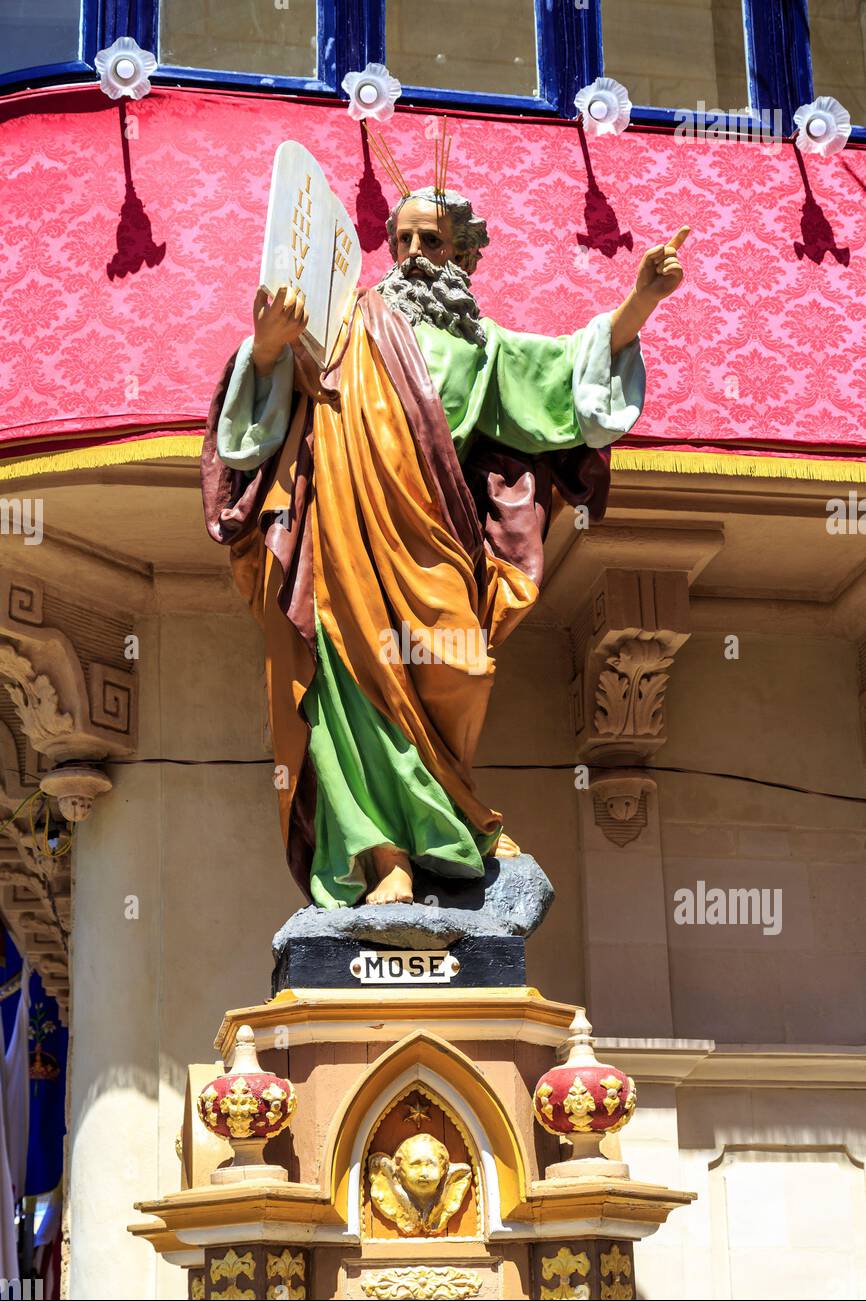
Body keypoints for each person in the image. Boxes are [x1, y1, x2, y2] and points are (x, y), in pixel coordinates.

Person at [202, 185, 687, 908]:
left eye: (430, 241)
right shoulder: (344, 325)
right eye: (401, 240)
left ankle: (451, 809)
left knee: (460, 663)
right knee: (349, 692)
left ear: (462, 251)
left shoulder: (482, 346)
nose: (413, 256)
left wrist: (641, 300)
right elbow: (263, 419)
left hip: (433, 539)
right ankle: (389, 858)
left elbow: (564, 377)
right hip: (344, 539)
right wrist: (268, 344)